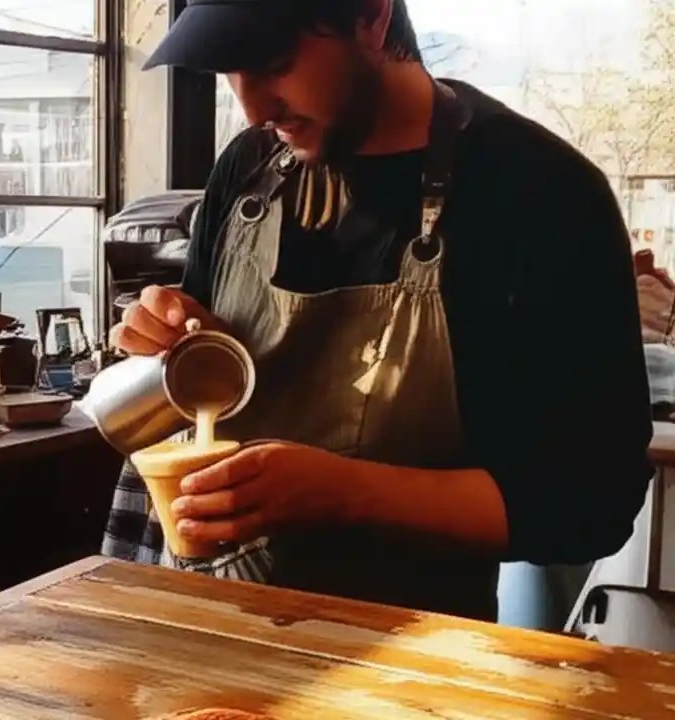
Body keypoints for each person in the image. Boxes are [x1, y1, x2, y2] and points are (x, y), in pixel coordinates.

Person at [102, 0, 654, 621]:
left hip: (409, 647)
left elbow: (589, 504)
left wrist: (342, 492)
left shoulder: (538, 193)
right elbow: (196, 376)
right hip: (210, 623)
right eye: (232, 70)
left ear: (371, 16)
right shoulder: (247, 170)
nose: (254, 109)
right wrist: (180, 341)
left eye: (275, 64)